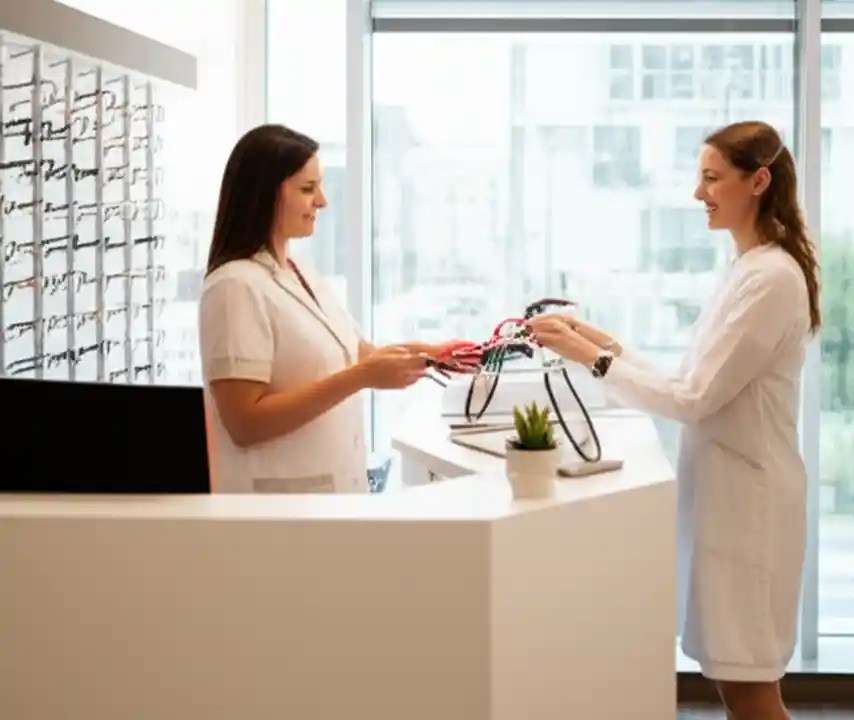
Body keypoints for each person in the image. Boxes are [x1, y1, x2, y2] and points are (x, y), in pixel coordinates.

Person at [528, 120, 820, 720]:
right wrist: (597, 340)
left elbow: (692, 399)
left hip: (751, 505)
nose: (699, 193)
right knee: (735, 682)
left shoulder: (770, 278)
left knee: (750, 689)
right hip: (729, 497)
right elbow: (693, 379)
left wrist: (591, 357)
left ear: (758, 181)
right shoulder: (749, 268)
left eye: (712, 178)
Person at [198, 124, 474, 493]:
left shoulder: (301, 274)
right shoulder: (235, 287)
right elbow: (245, 422)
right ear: (265, 194)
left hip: (335, 498)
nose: (323, 201)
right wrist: (361, 378)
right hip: (275, 514)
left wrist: (431, 355)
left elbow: (358, 355)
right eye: (307, 189)